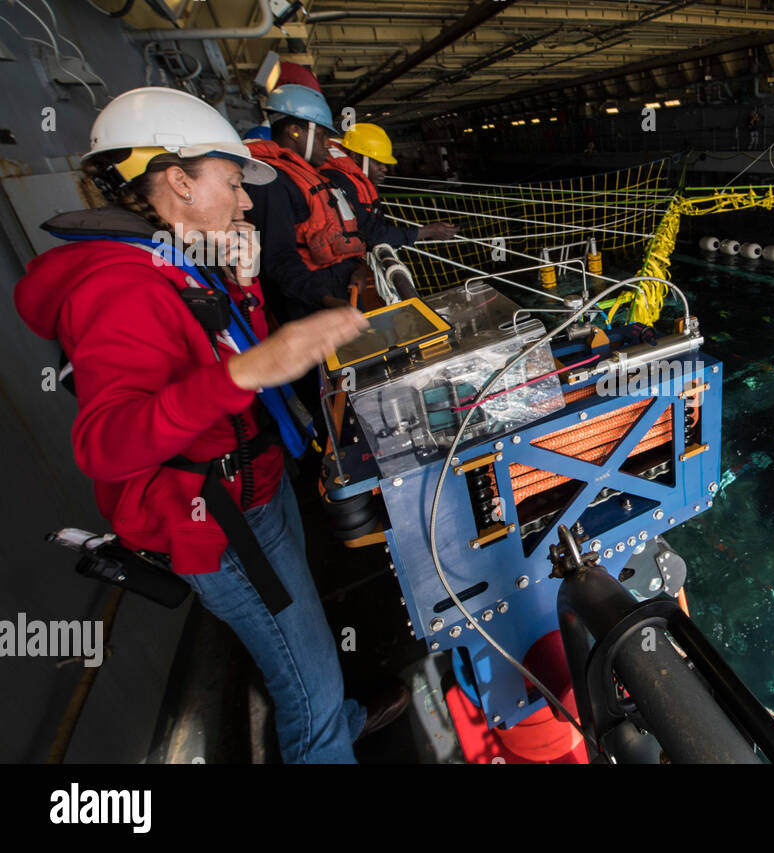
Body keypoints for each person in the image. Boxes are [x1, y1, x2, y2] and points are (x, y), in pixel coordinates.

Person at [13, 87, 407, 763]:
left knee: (306, 627)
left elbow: (214, 351)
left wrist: (244, 289)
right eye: (233, 182)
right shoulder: (120, 287)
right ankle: (325, 735)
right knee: (303, 682)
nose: (248, 200)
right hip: (221, 521)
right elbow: (105, 442)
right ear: (179, 181)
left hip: (254, 485)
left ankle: (338, 712)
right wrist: (251, 370)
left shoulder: (173, 259)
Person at [243, 84, 367, 323]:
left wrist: (357, 267)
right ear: (294, 132)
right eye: (321, 135)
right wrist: (326, 300)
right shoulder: (272, 182)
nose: (328, 145)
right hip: (312, 306)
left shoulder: (311, 176)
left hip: (343, 290)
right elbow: (277, 258)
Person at [319, 123, 456, 256]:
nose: (384, 168)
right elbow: (372, 235)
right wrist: (426, 232)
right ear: (355, 157)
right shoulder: (341, 182)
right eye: (378, 162)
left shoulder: (352, 180)